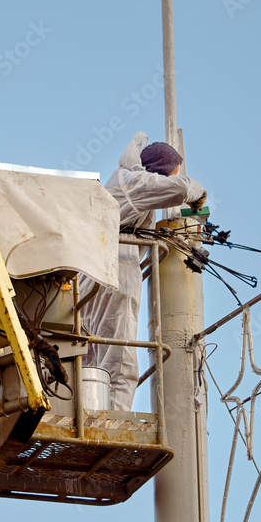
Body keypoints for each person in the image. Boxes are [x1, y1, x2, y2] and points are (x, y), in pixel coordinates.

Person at [79, 132, 207, 411]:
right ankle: (115, 422)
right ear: (161, 169)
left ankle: (89, 415)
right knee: (120, 358)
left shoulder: (126, 182)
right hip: (116, 271)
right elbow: (183, 188)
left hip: (91, 275)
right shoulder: (136, 182)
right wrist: (199, 197)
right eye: (170, 173)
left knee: (92, 360)